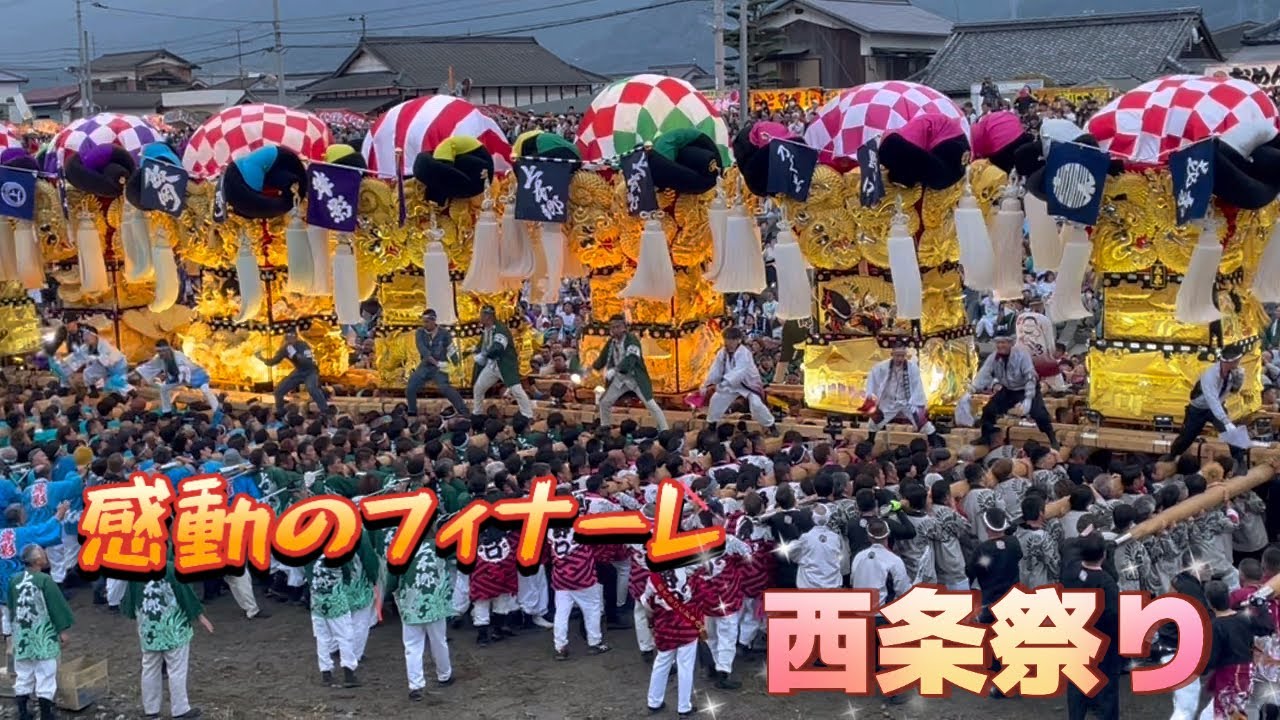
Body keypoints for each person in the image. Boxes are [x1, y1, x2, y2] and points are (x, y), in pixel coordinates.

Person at [121, 558, 214, 720]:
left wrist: (135, 616)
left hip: (148, 629)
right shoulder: (171, 569)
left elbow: (130, 600)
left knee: (149, 667)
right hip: (173, 628)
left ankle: (151, 710)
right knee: (176, 669)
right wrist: (199, 615)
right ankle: (180, 709)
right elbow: (186, 596)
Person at [386, 515, 455, 702]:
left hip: (411, 603)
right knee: (439, 641)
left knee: (412, 645)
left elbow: (391, 579)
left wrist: (388, 595)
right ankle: (444, 675)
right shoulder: (441, 545)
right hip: (435, 602)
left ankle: (415, 685)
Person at [7, 544, 73, 720]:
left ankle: (23, 712)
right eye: (43, 555)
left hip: (22, 634)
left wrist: (12, 633)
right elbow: (56, 607)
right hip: (43, 634)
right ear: (37, 560)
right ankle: (46, 714)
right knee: (46, 672)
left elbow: (11, 607)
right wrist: (62, 630)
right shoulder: (45, 580)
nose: (46, 557)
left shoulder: (14, 580)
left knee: (23, 673)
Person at [1062, 534, 1120, 720]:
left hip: (1077, 638)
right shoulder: (1107, 583)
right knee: (1107, 688)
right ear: (1103, 555)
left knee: (1077, 685)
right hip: (1102, 643)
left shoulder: (1070, 572)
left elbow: (1068, 547)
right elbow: (1113, 616)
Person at [969, 333, 1058, 450]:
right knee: (988, 410)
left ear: (1011, 343)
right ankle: (986, 436)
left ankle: (1052, 439)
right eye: (998, 343)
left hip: (1026, 388)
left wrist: (1028, 398)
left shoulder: (1022, 356)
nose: (1000, 345)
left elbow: (1030, 376)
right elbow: (984, 373)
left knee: (1039, 415)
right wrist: (973, 388)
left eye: (1003, 343)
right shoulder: (994, 357)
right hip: (1009, 389)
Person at [641, 567, 702, 717]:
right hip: (687, 625)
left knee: (661, 662)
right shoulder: (690, 570)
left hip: (664, 626)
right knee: (685, 667)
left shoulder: (653, 578)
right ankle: (684, 707)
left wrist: (652, 622)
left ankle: (654, 702)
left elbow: (646, 603)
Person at [1170, 346, 1247, 463]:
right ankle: (1172, 457)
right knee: (1187, 437)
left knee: (1231, 434)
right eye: (1236, 361)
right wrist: (1225, 421)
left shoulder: (1234, 373)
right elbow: (1212, 400)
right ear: (1230, 362)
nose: (1238, 363)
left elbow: (1233, 391)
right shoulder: (1210, 375)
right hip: (1199, 409)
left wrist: (1238, 381)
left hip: (1217, 406)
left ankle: (1240, 461)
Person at [593, 314, 668, 431]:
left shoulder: (632, 340)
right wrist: (593, 368)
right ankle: (605, 428)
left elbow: (631, 358)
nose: (615, 330)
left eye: (617, 327)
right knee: (604, 402)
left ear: (624, 328)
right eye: (612, 327)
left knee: (650, 404)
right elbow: (603, 357)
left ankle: (664, 429)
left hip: (635, 378)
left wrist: (615, 369)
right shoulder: (611, 342)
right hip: (620, 379)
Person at [701, 327, 777, 436]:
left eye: (732, 340)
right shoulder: (722, 353)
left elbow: (739, 372)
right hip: (730, 384)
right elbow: (716, 370)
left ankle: (771, 425)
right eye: (727, 339)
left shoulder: (744, 353)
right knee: (716, 399)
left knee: (756, 405)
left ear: (738, 340)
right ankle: (712, 426)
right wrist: (707, 384)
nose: (729, 342)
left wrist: (723, 384)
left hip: (748, 384)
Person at [863, 342, 940, 447]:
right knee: (873, 422)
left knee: (924, 424)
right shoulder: (881, 367)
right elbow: (872, 382)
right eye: (897, 355)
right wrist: (871, 400)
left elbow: (917, 387)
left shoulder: (912, 368)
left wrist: (918, 404)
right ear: (892, 354)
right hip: (889, 401)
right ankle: (870, 442)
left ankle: (935, 445)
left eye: (902, 356)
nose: (900, 358)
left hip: (907, 401)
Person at [472, 305, 533, 419]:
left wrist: (484, 354)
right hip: (492, 366)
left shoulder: (501, 329)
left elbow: (498, 347)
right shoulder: (486, 330)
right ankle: (477, 413)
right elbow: (483, 345)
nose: (479, 317)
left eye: (481, 315)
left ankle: (528, 415)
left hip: (505, 365)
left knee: (516, 390)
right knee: (479, 387)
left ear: (488, 316)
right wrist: (475, 350)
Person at [405, 309, 467, 417]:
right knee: (411, 387)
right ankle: (412, 412)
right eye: (423, 321)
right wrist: (436, 363)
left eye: (427, 322)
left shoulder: (444, 333)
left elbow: (451, 350)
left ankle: (463, 410)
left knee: (444, 387)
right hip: (426, 365)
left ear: (433, 321)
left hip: (440, 366)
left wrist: (457, 366)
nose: (424, 324)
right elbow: (423, 350)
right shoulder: (420, 333)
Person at [133, 339, 219, 414]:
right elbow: (149, 368)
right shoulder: (159, 359)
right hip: (177, 379)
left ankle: (216, 408)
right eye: (159, 351)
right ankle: (168, 411)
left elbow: (183, 371)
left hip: (192, 377)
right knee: (168, 389)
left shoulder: (178, 357)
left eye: (162, 351)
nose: (160, 354)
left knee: (202, 389)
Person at [257, 329, 329, 415]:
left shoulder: (303, 345)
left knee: (311, 388)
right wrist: (260, 357)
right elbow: (272, 362)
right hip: (299, 371)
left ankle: (325, 410)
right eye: (287, 337)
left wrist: (295, 355)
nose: (289, 339)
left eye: (291, 337)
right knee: (278, 391)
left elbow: (308, 361)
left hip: (311, 371)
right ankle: (281, 413)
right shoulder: (285, 348)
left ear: (296, 337)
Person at [65, 327, 131, 395]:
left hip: (116, 369)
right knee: (79, 375)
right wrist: (66, 361)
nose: (85, 338)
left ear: (95, 335)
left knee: (115, 389)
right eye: (84, 335)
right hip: (103, 371)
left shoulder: (105, 346)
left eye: (88, 335)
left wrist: (93, 359)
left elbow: (108, 362)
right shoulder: (86, 347)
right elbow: (76, 356)